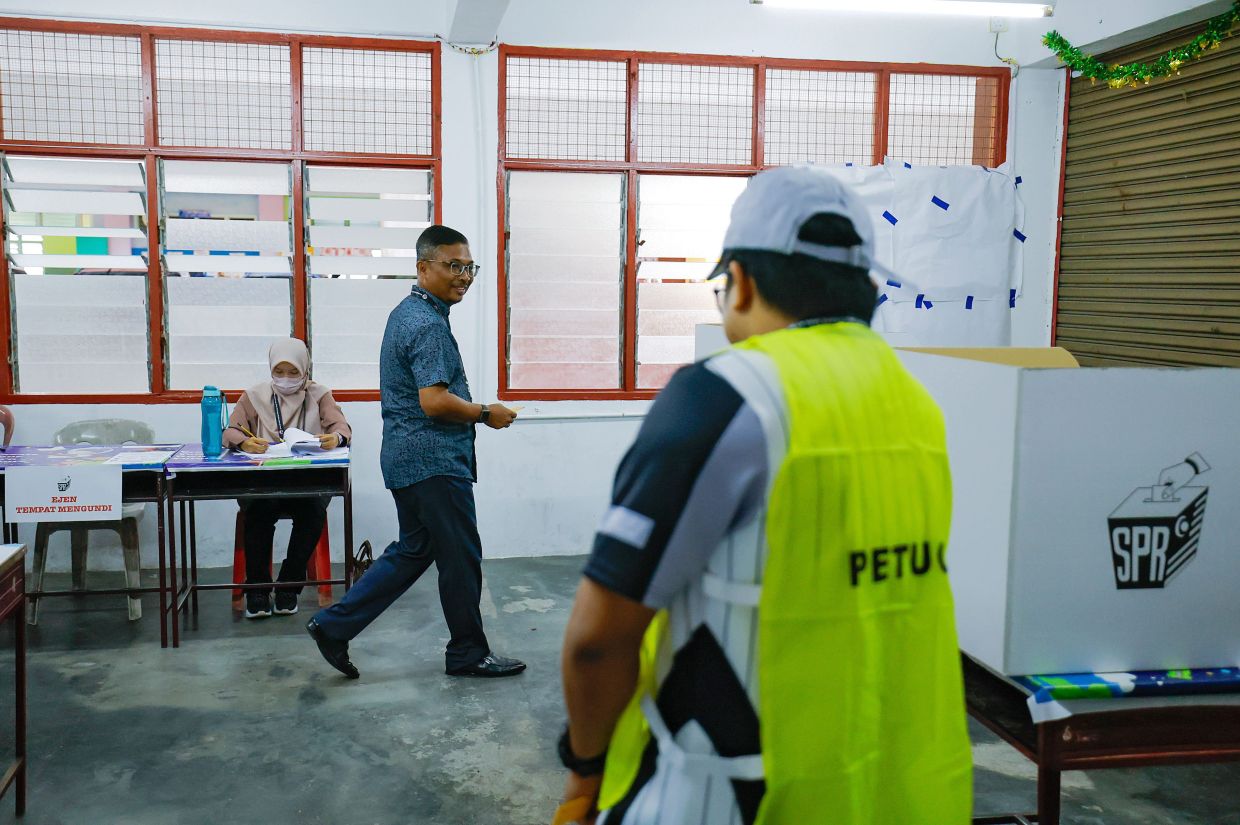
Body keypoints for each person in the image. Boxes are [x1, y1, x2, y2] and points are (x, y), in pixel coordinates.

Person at [554, 167, 972, 824]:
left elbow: (597, 639)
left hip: (738, 796)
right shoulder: (914, 402)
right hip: (893, 792)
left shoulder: (725, 393)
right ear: (864, 286)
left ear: (740, 280)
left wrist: (584, 768)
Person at [306, 224, 526, 680]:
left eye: (469, 267)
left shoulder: (410, 312)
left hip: (408, 458)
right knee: (461, 557)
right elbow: (434, 400)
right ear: (423, 268)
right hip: (433, 462)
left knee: (413, 550)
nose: (463, 276)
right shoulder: (426, 324)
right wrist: (486, 412)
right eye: (453, 266)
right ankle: (467, 653)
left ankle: (333, 625)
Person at [223, 337, 353, 619]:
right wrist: (244, 443)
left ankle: (288, 587)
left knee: (313, 513)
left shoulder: (319, 394)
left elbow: (342, 427)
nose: (285, 379)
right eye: (279, 372)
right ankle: (256, 590)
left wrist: (335, 437)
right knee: (259, 510)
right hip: (264, 480)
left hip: (308, 482)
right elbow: (230, 431)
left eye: (293, 372)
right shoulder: (254, 395)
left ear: (305, 370)